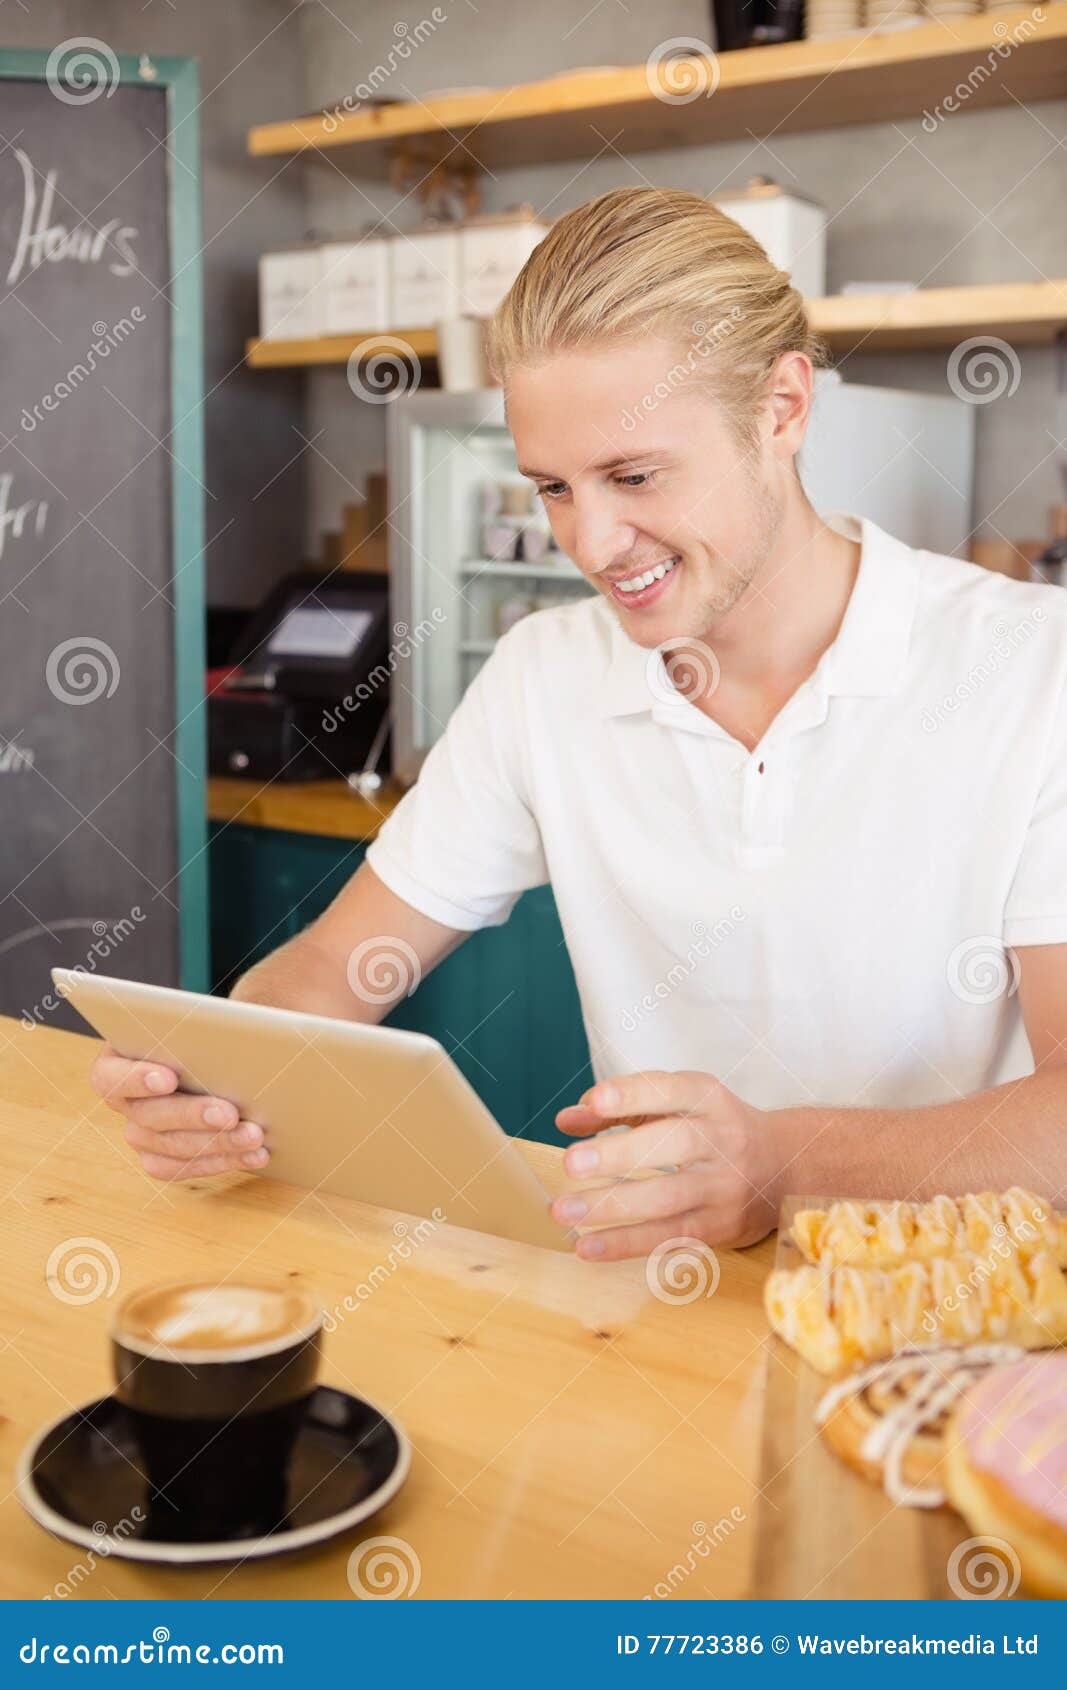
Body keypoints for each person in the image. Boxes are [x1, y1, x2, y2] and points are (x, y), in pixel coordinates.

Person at [90, 187, 1067, 1261]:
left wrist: (782, 1161)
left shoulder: (1028, 667)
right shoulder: (541, 677)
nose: (592, 543)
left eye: (633, 475)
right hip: (662, 1303)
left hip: (962, 1332)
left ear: (781, 408)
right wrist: (222, 1071)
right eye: (550, 487)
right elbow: (334, 965)